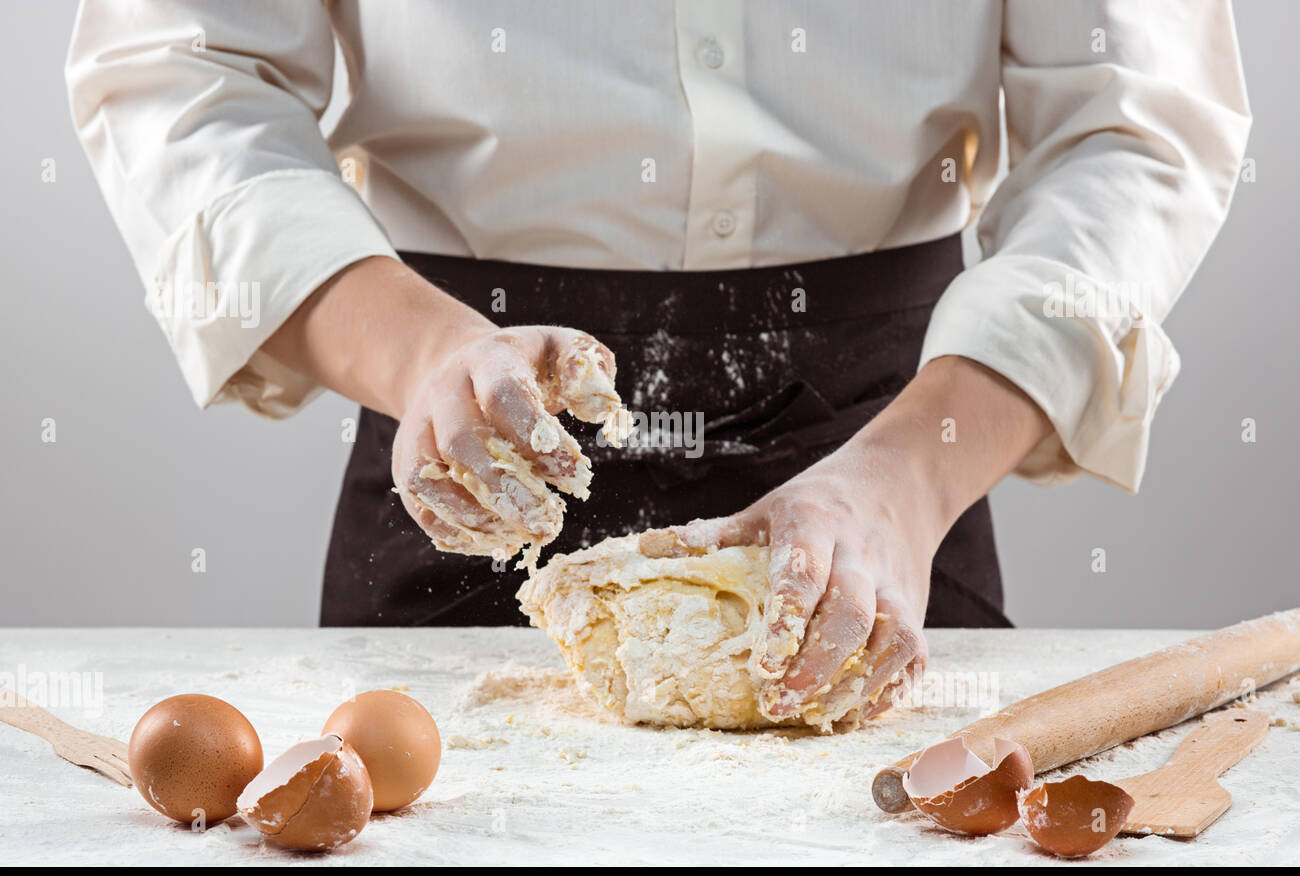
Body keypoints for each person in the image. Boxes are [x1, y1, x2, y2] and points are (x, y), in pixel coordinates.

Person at [66, 2, 1250, 717]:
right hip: (467, 433)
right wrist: (421, 347)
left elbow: (1132, 124)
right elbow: (183, 65)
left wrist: (914, 474)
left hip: (896, 446)